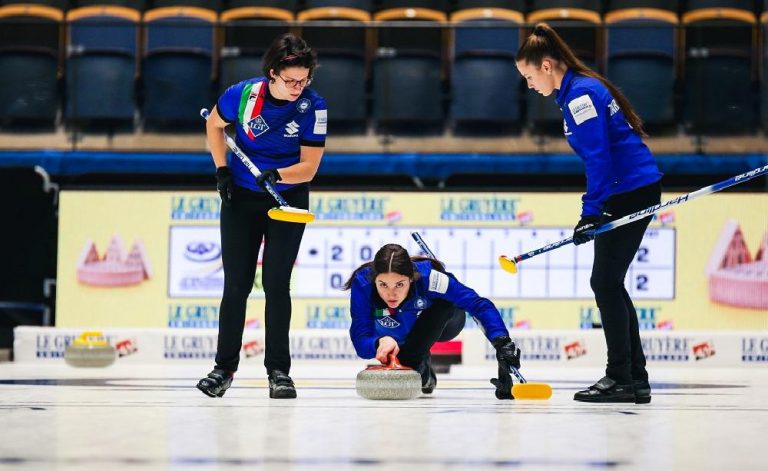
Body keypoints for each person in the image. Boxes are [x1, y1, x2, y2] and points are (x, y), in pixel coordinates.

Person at [516, 23, 663, 404]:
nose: (529, 85)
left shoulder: (580, 95)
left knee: (605, 283)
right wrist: (594, 210)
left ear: (547, 66)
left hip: (629, 190)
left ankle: (621, 377)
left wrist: (591, 212)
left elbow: (600, 159)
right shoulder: (576, 90)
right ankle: (633, 377)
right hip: (629, 188)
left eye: (530, 76)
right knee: (610, 283)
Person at [196, 33, 327, 399]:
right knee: (236, 285)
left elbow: (310, 168)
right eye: (291, 81)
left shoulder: (314, 107)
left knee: (276, 285)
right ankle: (224, 369)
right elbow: (214, 125)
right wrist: (222, 169)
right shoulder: (243, 94)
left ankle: (279, 372)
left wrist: (279, 176)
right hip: (241, 196)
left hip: (286, 200)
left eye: (304, 80)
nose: (298, 87)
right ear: (272, 73)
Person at [344, 243, 521, 398]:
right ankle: (418, 362)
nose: (391, 293)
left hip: (444, 324)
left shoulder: (431, 278)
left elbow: (477, 304)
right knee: (405, 361)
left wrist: (502, 342)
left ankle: (416, 360)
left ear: (411, 278)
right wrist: (378, 343)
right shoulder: (363, 282)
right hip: (394, 331)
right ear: (374, 279)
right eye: (383, 284)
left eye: (400, 284)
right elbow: (361, 340)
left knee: (444, 302)